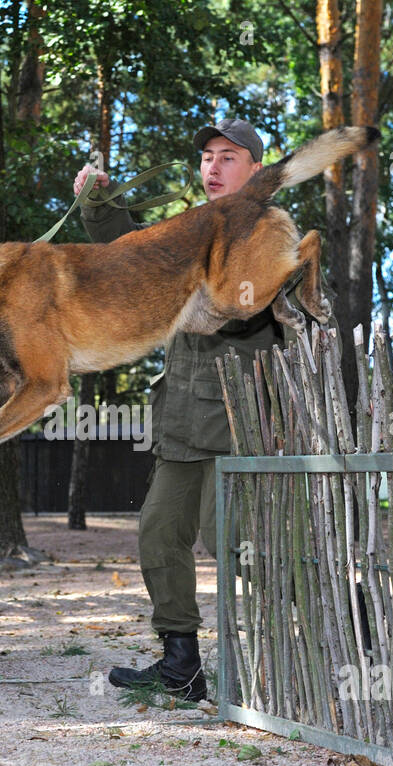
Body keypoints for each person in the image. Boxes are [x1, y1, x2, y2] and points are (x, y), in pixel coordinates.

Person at [75, 118, 307, 703]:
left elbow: (245, 306)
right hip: (181, 419)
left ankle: (334, 626)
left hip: (237, 421)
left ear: (257, 170)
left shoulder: (265, 232)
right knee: (158, 535)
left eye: (228, 157)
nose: (213, 167)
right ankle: (182, 665)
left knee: (232, 539)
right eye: (207, 157)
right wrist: (97, 203)